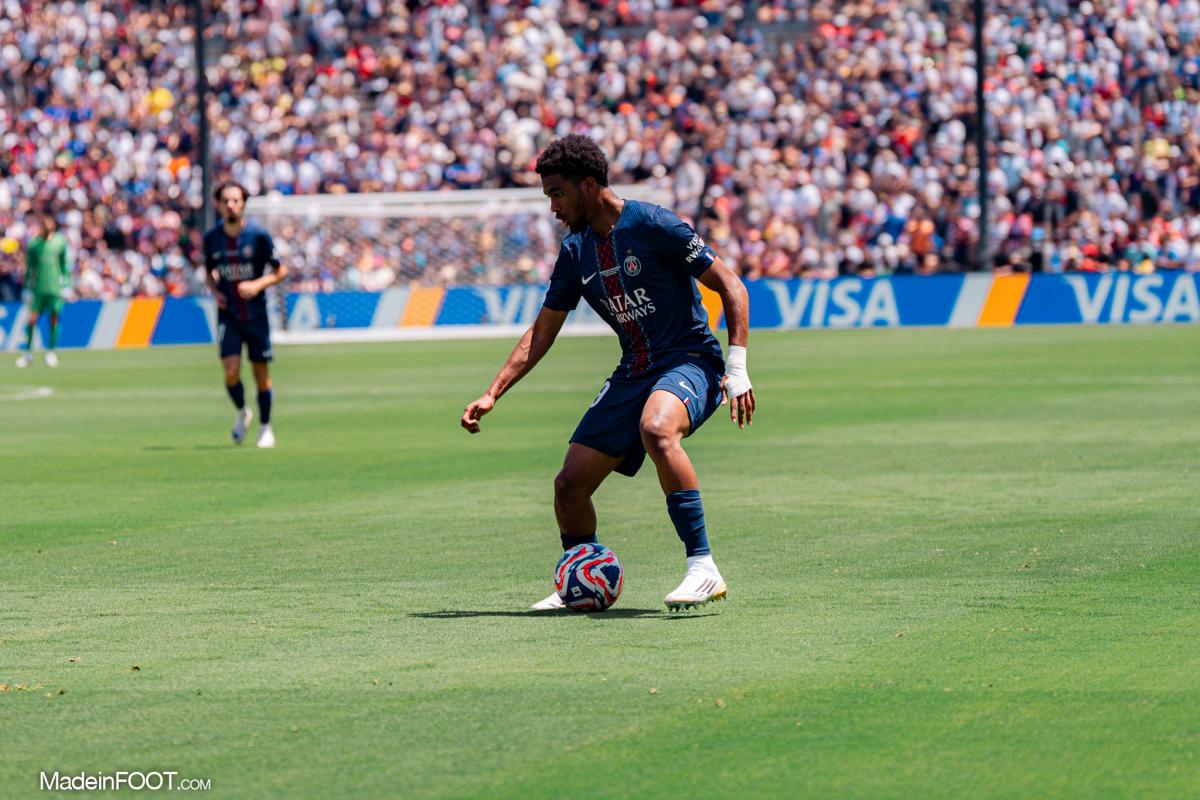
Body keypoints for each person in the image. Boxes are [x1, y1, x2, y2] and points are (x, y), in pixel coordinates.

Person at [461, 135, 756, 611]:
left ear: (589, 185)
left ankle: (703, 566)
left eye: (557, 193)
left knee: (657, 429)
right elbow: (543, 330)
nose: (553, 207)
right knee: (569, 486)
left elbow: (731, 286)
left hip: (690, 360)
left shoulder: (654, 223)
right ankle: (579, 578)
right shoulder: (576, 251)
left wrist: (737, 368)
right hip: (633, 371)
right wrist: (494, 392)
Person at [203, 181, 288, 448]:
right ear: (218, 204)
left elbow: (280, 271)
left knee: (261, 373)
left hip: (256, 314)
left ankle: (265, 428)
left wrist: (257, 284)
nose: (231, 205)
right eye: (226, 200)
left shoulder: (258, 236)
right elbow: (209, 272)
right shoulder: (212, 239)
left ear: (243, 204)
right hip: (228, 314)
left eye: (236, 200)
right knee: (230, 370)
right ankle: (242, 412)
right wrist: (215, 291)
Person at [16, 212, 71, 368]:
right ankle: (27, 353)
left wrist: (66, 283)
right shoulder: (34, 245)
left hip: (54, 288)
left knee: (54, 319)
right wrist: (27, 287)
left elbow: (64, 265)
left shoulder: (60, 242)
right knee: (32, 320)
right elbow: (30, 268)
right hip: (38, 289)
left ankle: (51, 352)